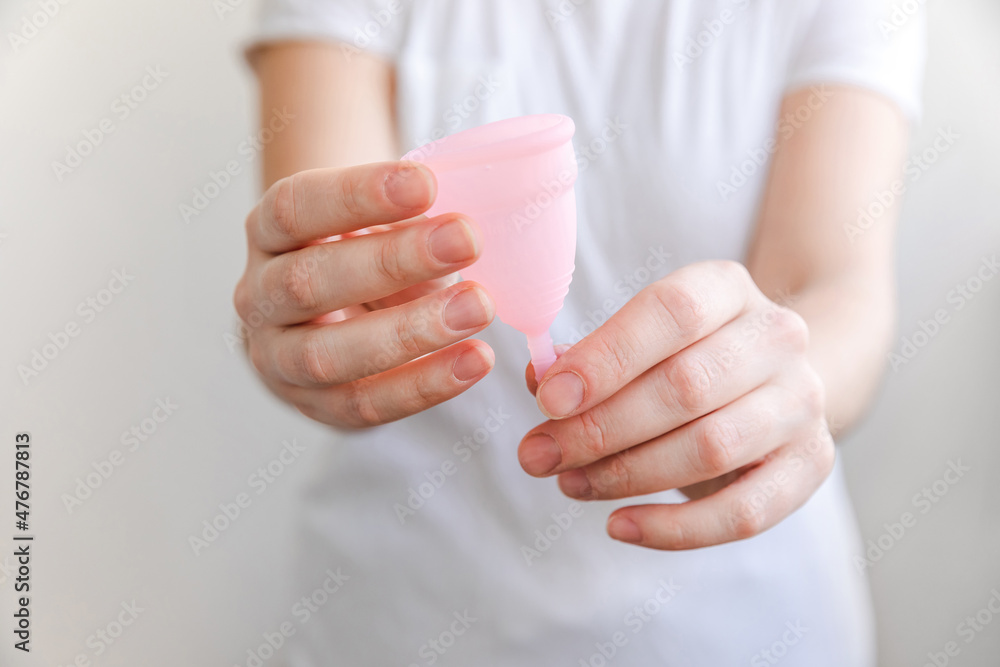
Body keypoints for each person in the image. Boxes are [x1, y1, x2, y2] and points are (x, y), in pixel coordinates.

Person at [235, 1, 925, 664]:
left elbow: (837, 290)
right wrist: (314, 327)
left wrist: (768, 397)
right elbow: (332, 274)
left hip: (738, 627)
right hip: (406, 618)